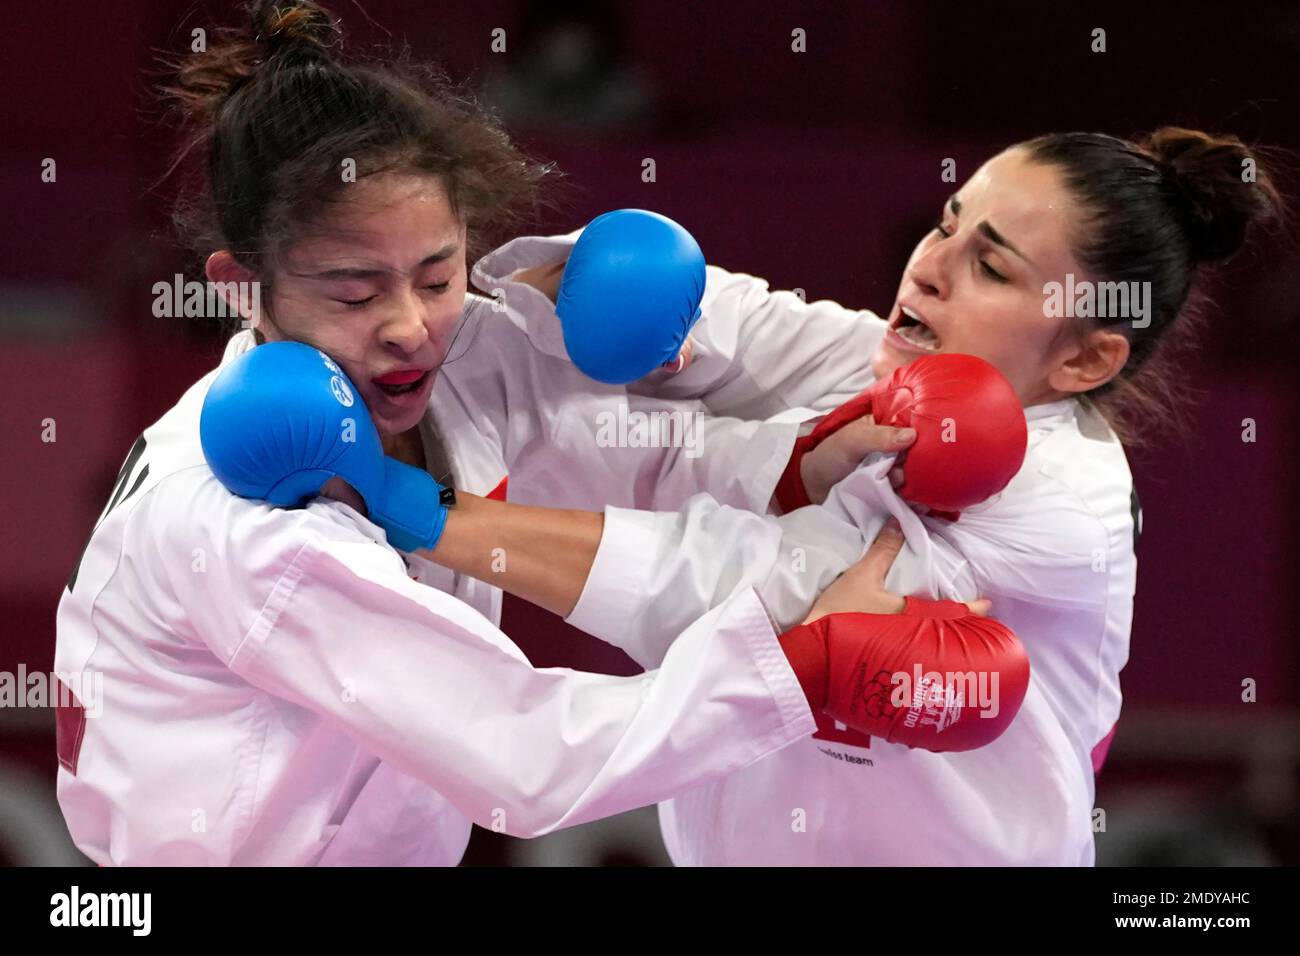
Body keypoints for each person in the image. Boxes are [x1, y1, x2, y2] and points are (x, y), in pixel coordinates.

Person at [53, 0, 1010, 866]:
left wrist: (804, 460)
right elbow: (521, 757)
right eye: (353, 290)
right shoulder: (240, 524)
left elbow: (639, 454)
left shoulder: (463, 354)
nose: (408, 324)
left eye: (435, 273)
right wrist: (806, 668)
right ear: (237, 286)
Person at [429, 127, 1287, 864]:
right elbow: (737, 323)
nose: (930, 267)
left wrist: (438, 518)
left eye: (989, 265)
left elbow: (734, 586)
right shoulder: (895, 369)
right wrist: (548, 296)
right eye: (947, 225)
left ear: (1085, 360)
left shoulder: (1060, 503)